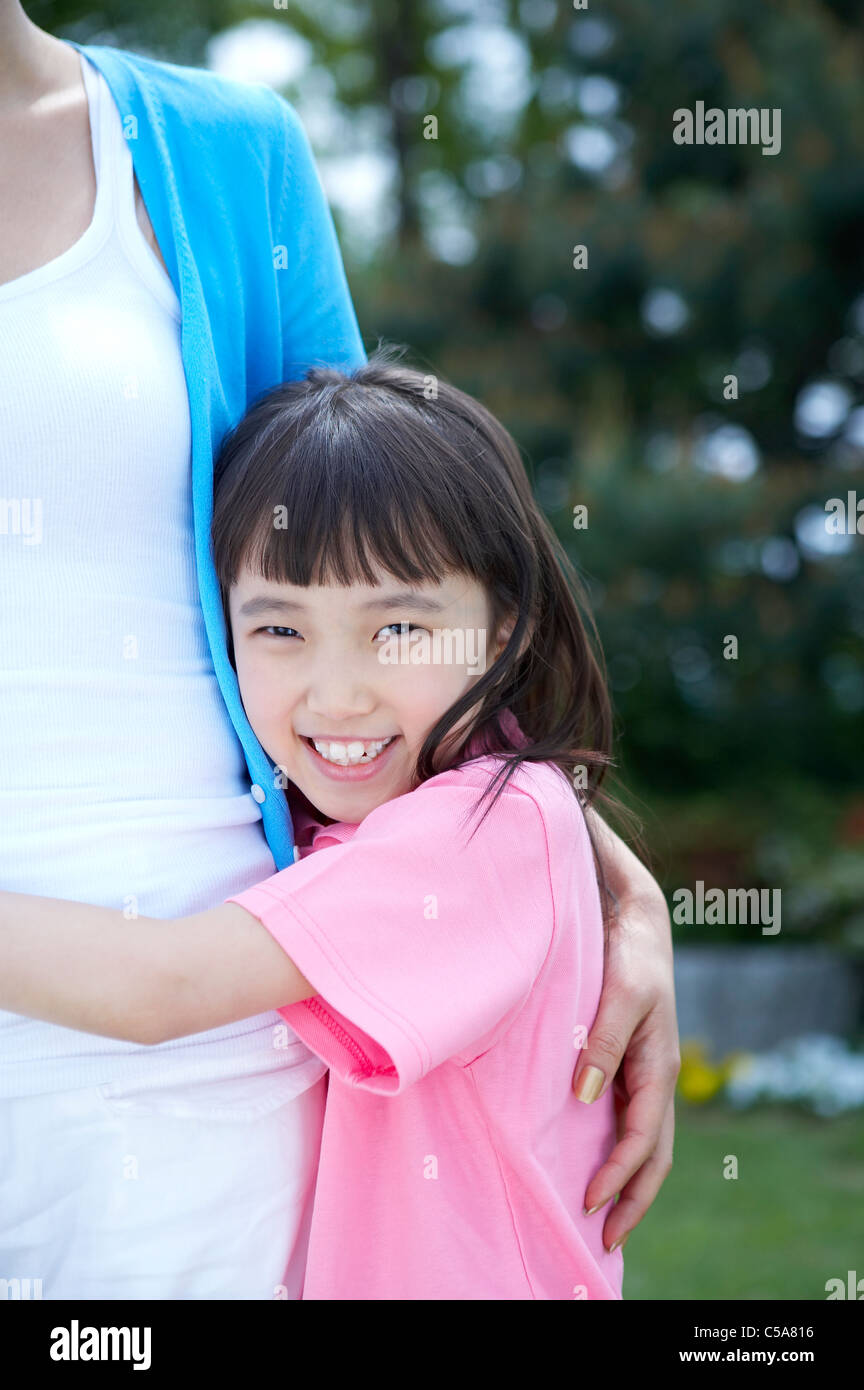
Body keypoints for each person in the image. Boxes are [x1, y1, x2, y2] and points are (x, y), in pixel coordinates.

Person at [0, 6, 678, 1300]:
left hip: (194, 1083)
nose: (335, 669)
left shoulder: (220, 156)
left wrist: (609, 879)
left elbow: (386, 545)